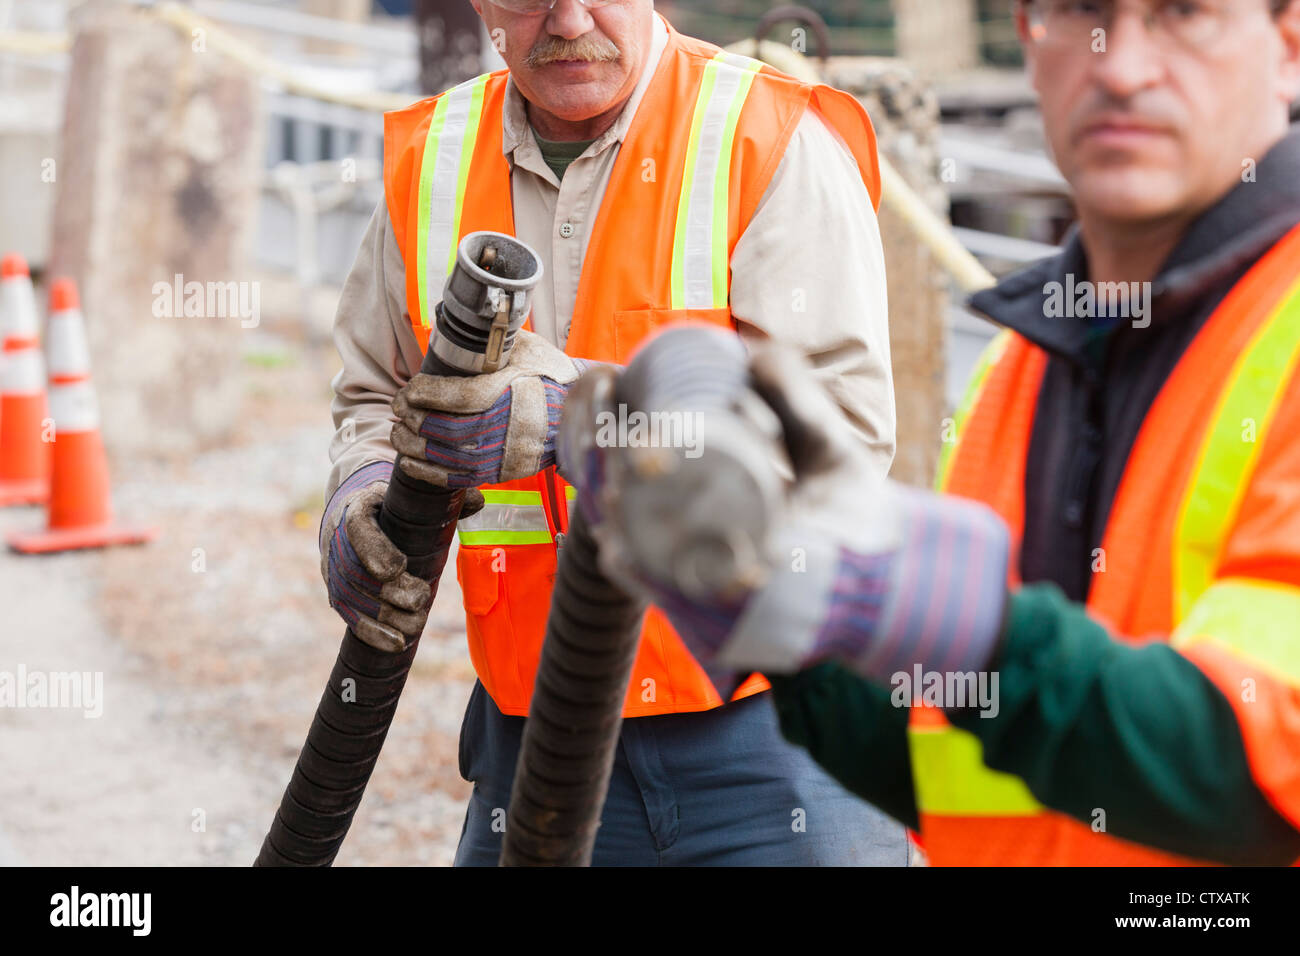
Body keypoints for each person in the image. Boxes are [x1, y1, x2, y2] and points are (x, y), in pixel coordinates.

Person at [572, 0, 1300, 865]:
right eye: (1082, 12)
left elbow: (1249, 764)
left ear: (1289, 39)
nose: (1122, 66)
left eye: (1184, 12)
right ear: (1030, 34)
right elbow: (948, 760)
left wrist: (950, 614)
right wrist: (774, 621)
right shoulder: (1021, 369)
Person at [320, 0, 904, 865]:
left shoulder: (765, 139)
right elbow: (375, 392)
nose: (568, 19)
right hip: (534, 738)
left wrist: (577, 421)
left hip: (774, 742)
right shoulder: (436, 160)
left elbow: (843, 442)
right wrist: (358, 496)